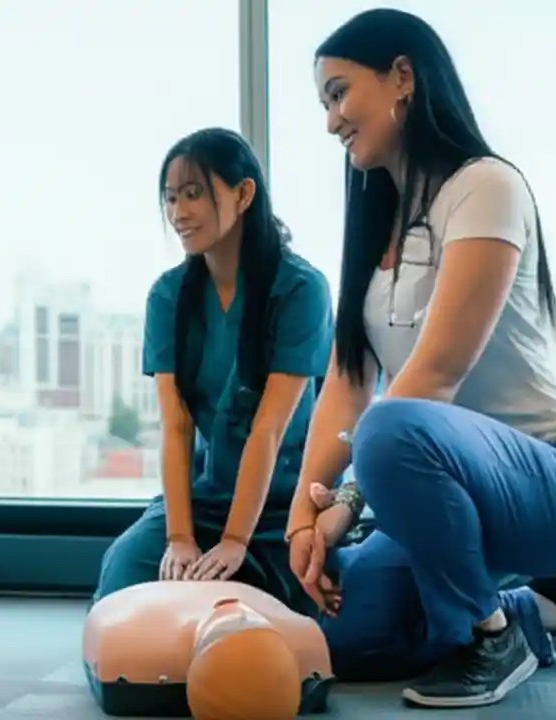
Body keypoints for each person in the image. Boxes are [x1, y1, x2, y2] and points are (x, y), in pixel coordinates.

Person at [284, 8, 556, 709]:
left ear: (402, 78)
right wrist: (304, 520)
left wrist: (348, 502)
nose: (330, 121)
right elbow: (344, 386)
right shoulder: (373, 223)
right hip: (444, 491)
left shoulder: (485, 187)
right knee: (342, 632)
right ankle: (538, 612)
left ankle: (488, 633)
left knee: (394, 427)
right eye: (323, 104)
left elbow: (435, 376)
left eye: (338, 93)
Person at [92, 128, 333, 609]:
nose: (179, 213)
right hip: (201, 502)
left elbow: (268, 430)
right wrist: (180, 538)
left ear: (244, 194)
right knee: (120, 588)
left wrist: (236, 542)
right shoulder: (168, 296)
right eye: (171, 198)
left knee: (320, 619)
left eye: (195, 194)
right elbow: (176, 428)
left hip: (287, 507)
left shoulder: (300, 289)